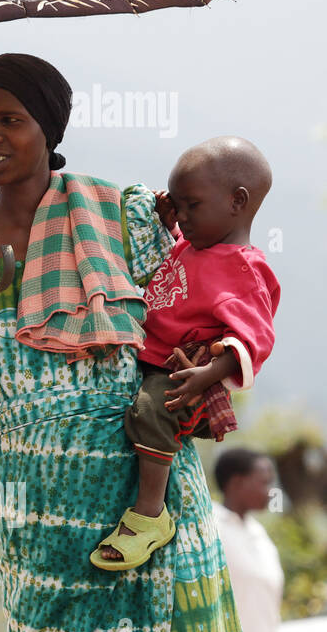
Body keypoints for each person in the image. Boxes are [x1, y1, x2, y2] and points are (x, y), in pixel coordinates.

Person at [0, 53, 247, 632]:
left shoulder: (122, 218)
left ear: (49, 128)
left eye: (10, 119)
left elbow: (202, 302)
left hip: (147, 502)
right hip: (41, 519)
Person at [93, 138, 279, 570]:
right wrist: (168, 221)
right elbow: (179, 261)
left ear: (237, 202)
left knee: (150, 411)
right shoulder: (194, 243)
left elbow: (255, 337)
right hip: (144, 352)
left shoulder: (243, 267)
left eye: (191, 205)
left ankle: (149, 515)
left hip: (178, 372)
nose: (185, 216)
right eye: (180, 205)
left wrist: (208, 375)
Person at [214, 449, 284, 632]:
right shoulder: (210, 529)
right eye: (264, 482)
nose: (271, 491)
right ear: (236, 483)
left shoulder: (259, 533)